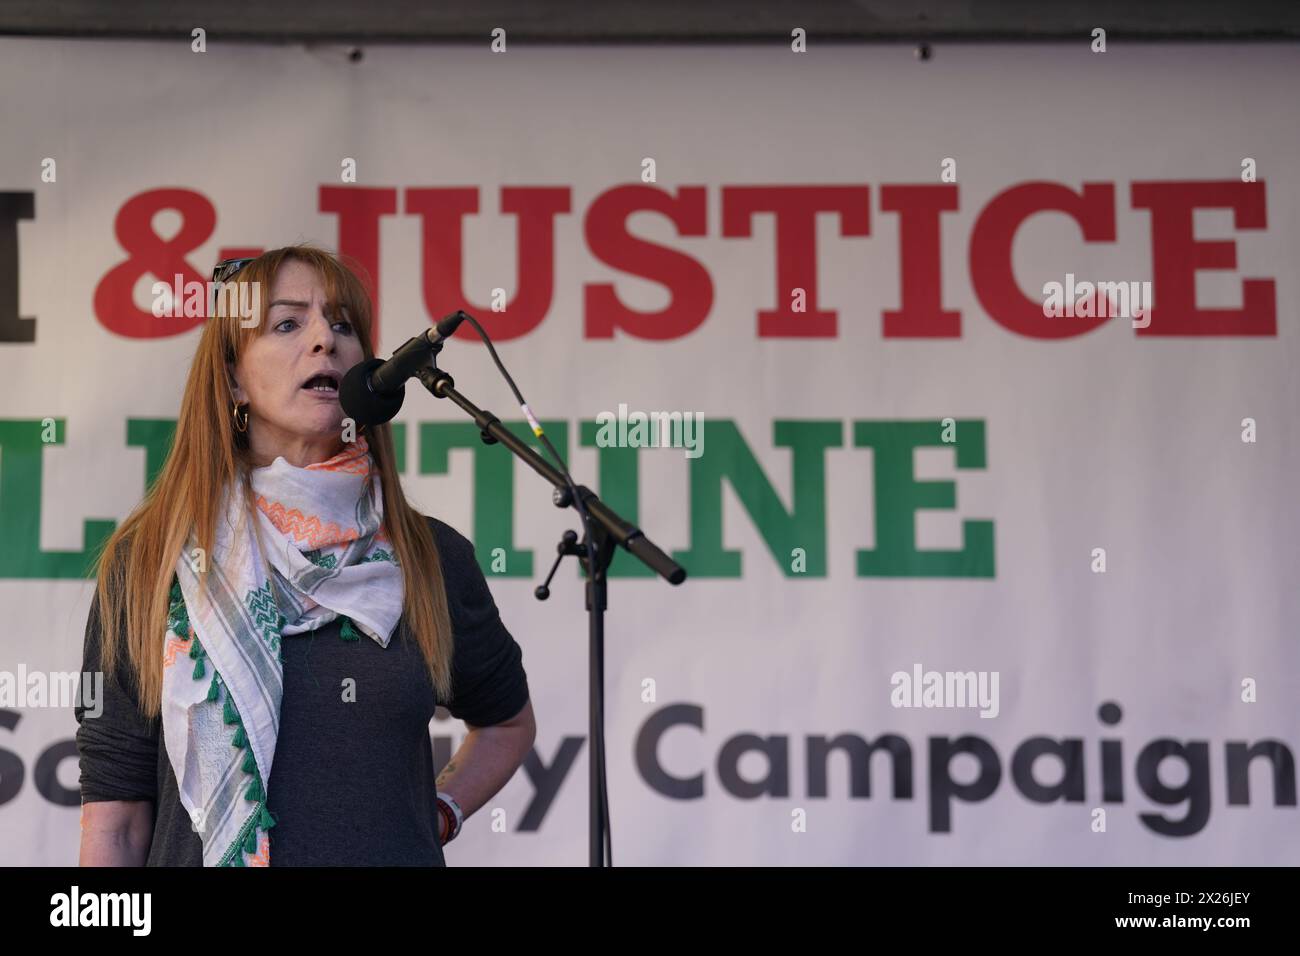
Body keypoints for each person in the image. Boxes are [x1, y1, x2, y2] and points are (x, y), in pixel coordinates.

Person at [75, 244, 535, 866]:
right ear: (234, 376)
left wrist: (439, 811)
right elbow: (117, 817)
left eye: (342, 324)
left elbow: (507, 723)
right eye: (288, 323)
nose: (325, 340)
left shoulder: (430, 557)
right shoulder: (153, 560)